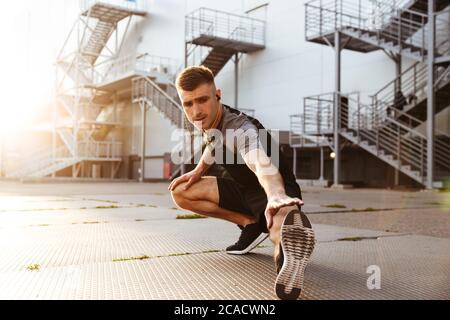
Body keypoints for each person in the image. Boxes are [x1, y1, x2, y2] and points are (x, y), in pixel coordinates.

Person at [169, 66, 315, 300]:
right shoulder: (210, 121)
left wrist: (276, 193)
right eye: (188, 104)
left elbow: (259, 161)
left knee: (282, 219)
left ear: (218, 94)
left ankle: (286, 258)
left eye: (202, 100)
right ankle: (250, 224)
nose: (196, 111)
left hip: (273, 188)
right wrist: (198, 171)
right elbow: (213, 143)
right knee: (180, 191)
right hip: (244, 189)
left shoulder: (239, 128)